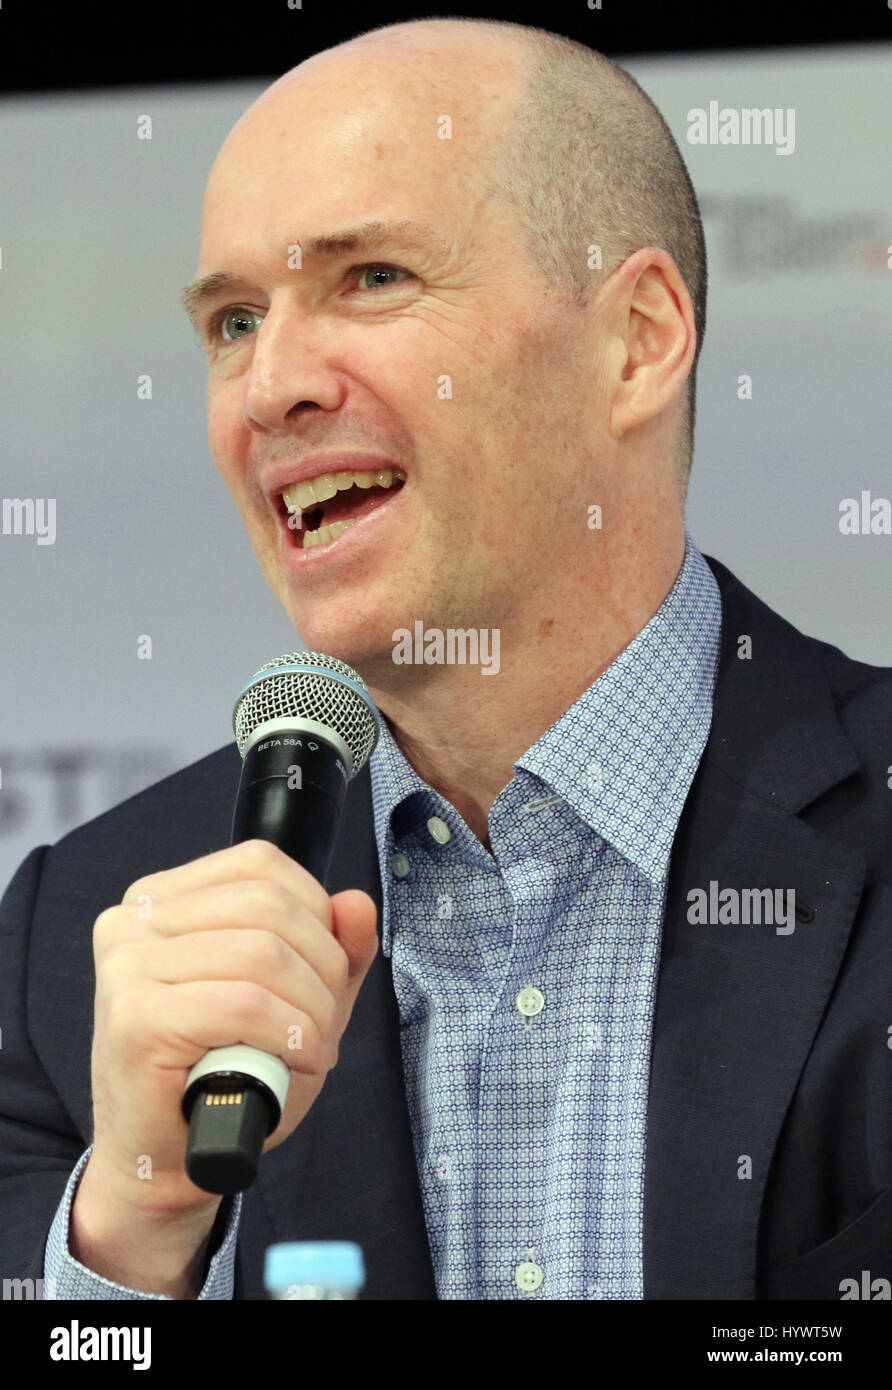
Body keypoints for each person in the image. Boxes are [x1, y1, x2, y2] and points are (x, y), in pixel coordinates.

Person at [1, 17, 890, 1302]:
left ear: (636, 337)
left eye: (371, 278)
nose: (271, 388)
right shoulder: (71, 946)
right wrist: (136, 1230)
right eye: (235, 319)